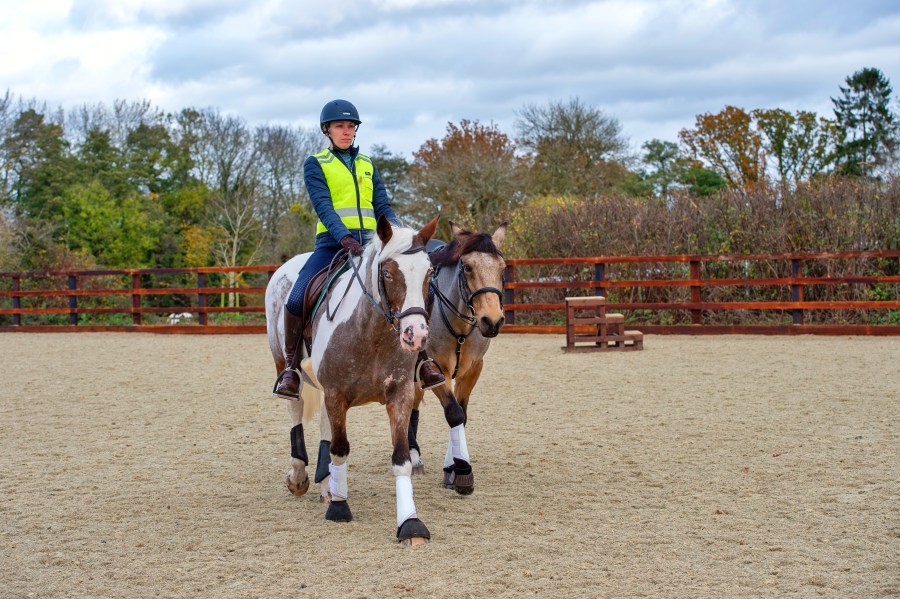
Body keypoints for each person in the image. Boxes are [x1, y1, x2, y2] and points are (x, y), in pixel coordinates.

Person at [274, 99, 445, 399]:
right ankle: (291, 368)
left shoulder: (367, 164)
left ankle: (422, 359)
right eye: (340, 126)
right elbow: (323, 207)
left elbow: (383, 205)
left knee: (419, 289)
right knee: (296, 297)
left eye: (351, 126)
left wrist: (399, 236)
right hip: (332, 246)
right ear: (327, 130)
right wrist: (343, 237)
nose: (346, 131)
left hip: (375, 246)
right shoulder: (316, 164)